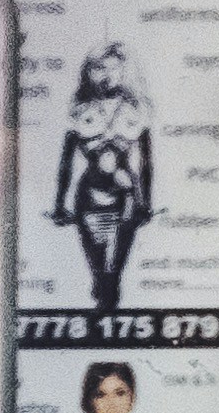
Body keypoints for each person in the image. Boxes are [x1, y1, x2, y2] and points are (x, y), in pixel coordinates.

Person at [48, 41, 158, 313]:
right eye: (100, 68)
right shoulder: (80, 111)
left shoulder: (137, 110)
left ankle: (110, 298)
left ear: (124, 71)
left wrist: (145, 202)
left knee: (116, 266)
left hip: (126, 195)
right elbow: (66, 164)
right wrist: (60, 204)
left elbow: (146, 163)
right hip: (89, 195)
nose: (107, 75)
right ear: (90, 71)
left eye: (114, 68)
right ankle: (102, 297)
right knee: (97, 265)